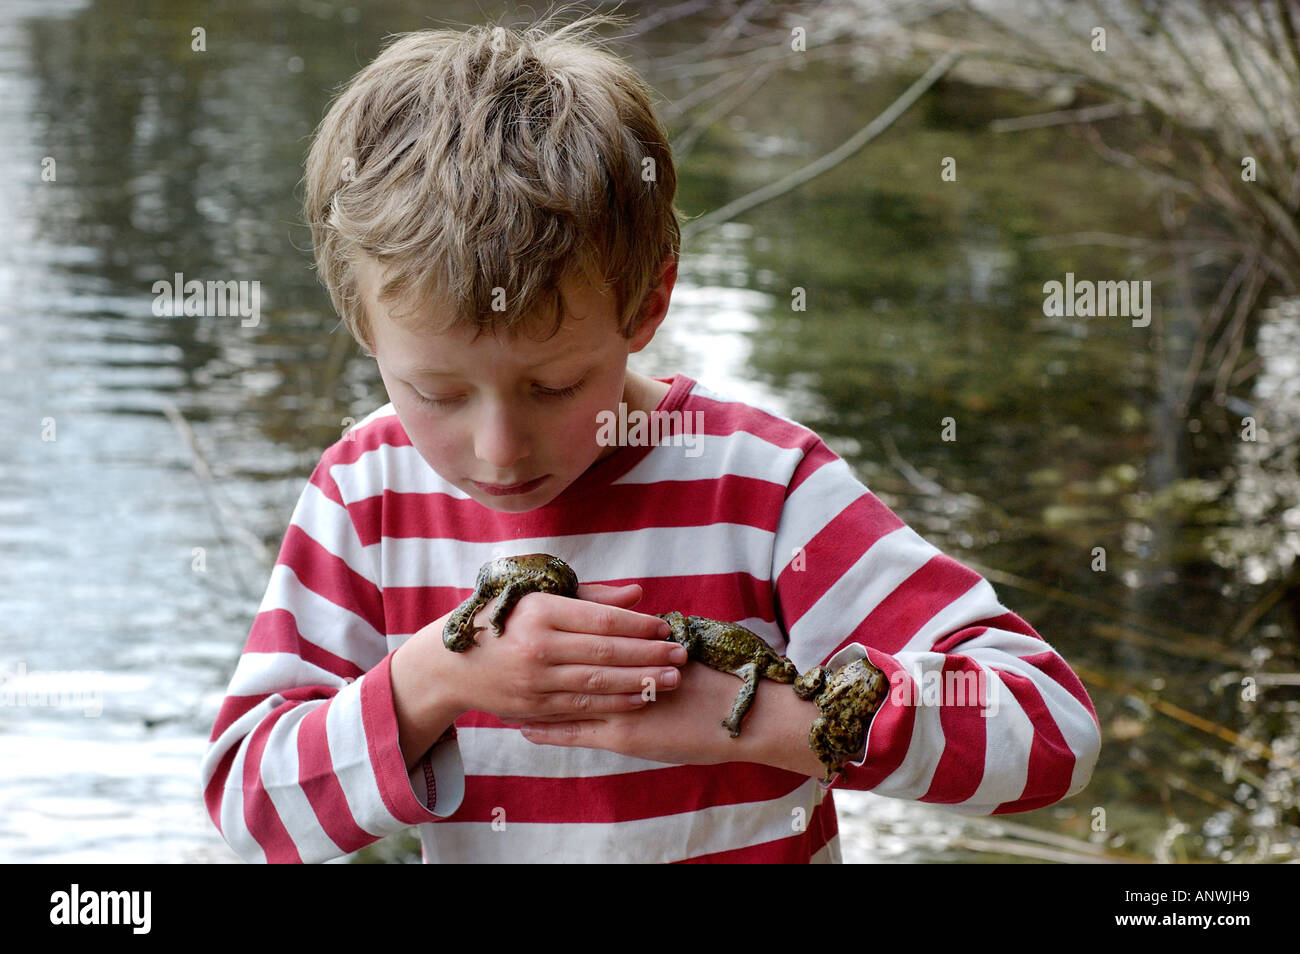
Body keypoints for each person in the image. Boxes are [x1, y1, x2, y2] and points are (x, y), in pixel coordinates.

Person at [201, 12, 1101, 863]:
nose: (500, 448)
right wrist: (435, 681)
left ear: (648, 303)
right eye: (435, 392)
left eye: (554, 385)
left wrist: (760, 720)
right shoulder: (367, 496)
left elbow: (1048, 727)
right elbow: (254, 810)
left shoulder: (761, 484)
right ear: (363, 325)